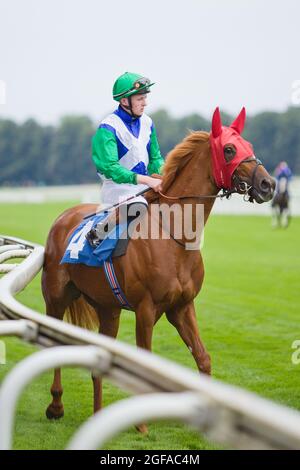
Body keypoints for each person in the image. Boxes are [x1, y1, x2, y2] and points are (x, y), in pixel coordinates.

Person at [86, 72, 164, 247]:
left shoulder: (148, 123)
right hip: (117, 189)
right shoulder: (108, 127)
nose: (145, 103)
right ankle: (98, 231)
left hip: (145, 186)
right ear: (124, 101)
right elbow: (110, 168)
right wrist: (146, 179)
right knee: (137, 206)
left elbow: (155, 158)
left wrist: (165, 173)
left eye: (145, 97)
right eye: (140, 98)